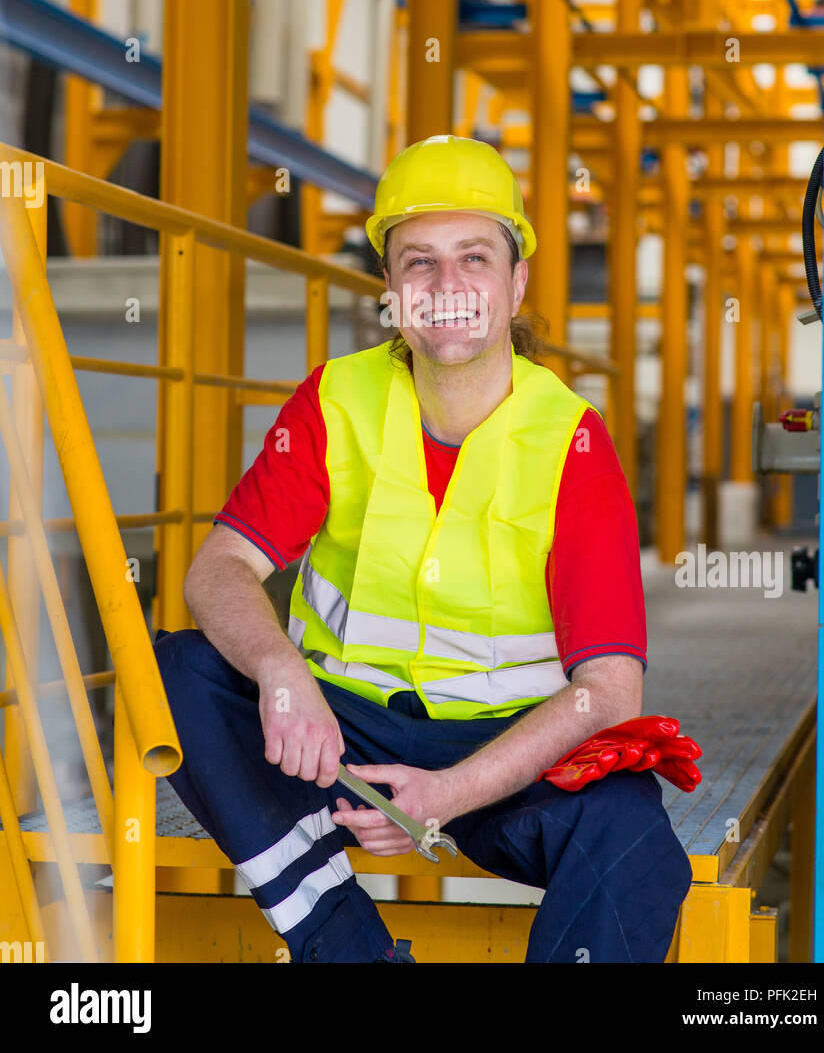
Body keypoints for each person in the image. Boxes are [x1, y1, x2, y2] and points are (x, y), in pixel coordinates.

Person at [154, 134, 693, 964]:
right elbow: (219, 568)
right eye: (418, 263)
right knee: (177, 671)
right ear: (390, 291)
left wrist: (448, 793)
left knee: (632, 834)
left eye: (473, 258)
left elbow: (609, 691)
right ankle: (347, 949)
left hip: (496, 758)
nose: (445, 287)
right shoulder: (337, 400)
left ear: (515, 285)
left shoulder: (568, 445)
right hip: (336, 737)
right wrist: (279, 672)